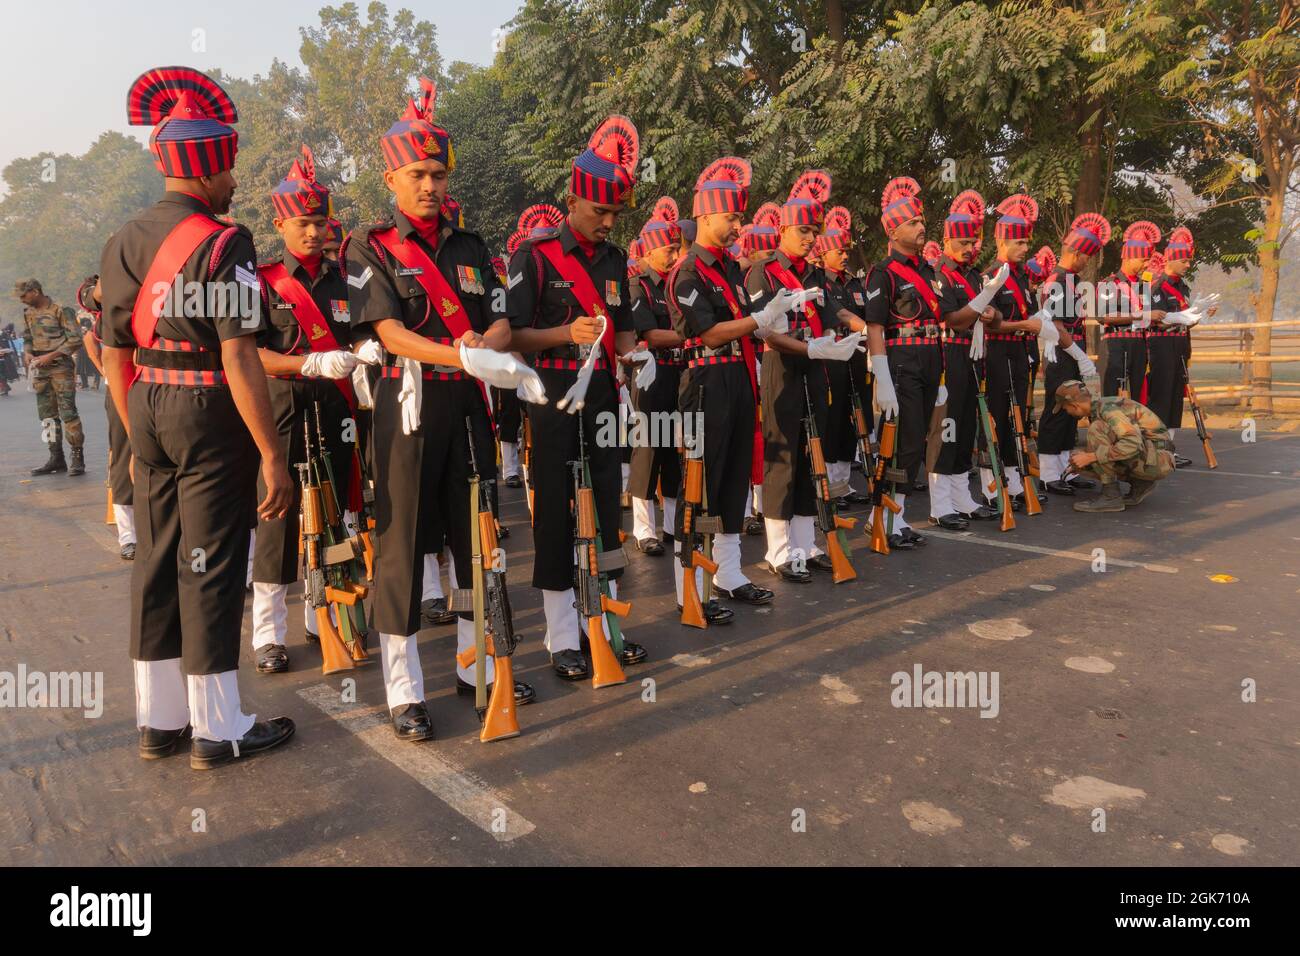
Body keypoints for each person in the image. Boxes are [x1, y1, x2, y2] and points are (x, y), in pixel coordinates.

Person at [98, 66, 296, 769]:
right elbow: (241, 356)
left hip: (146, 406)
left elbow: (114, 349)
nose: (234, 183)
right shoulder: (226, 243)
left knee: (156, 560)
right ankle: (220, 728)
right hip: (207, 406)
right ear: (210, 167)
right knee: (208, 563)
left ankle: (160, 721)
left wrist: (138, 431)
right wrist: (272, 454)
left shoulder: (123, 239)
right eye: (230, 169)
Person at [345, 77, 542, 739]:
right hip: (406, 407)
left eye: (437, 173)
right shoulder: (368, 248)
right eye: (416, 174)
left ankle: (473, 667)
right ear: (390, 178)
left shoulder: (469, 245)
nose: (429, 186)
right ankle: (404, 692)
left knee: (474, 541)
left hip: (465, 409)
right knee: (401, 549)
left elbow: (501, 323)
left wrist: (487, 349)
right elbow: (389, 333)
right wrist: (462, 355)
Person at [507, 115, 650, 678]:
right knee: (558, 509)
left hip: (604, 395)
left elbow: (625, 327)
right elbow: (513, 334)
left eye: (616, 214)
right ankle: (561, 633)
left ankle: (607, 623)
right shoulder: (536, 258)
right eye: (600, 212)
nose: (608, 223)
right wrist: (566, 334)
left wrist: (641, 357)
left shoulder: (616, 261)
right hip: (553, 391)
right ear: (573, 200)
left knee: (606, 499)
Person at [248, 146, 371, 675]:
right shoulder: (264, 280)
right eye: (303, 222)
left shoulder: (348, 280)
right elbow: (251, 355)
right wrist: (307, 363)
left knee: (336, 517)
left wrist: (367, 354)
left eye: (320, 222)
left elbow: (363, 334)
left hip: (338, 411)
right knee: (278, 521)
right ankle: (268, 634)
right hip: (283, 412)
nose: (314, 232)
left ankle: (326, 617)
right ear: (281, 223)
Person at [668, 156, 789, 615]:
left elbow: (740, 326)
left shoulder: (729, 271)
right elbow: (709, 332)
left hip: (738, 377)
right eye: (731, 217)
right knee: (701, 480)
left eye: (740, 216)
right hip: (705, 382)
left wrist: (767, 316)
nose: (739, 225)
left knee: (735, 477)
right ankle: (690, 585)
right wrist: (757, 320)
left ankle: (729, 571)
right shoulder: (688, 272)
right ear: (703, 216)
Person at [745, 171, 865, 581]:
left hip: (815, 369)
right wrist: (812, 346)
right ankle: (779, 550)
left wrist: (844, 335)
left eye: (815, 231)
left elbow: (831, 318)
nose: (811, 238)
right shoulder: (763, 272)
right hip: (782, 368)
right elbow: (766, 332)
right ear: (782, 230)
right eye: (803, 230)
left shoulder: (815, 276)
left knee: (809, 451)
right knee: (783, 455)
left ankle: (805, 543)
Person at [860, 177, 943, 549]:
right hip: (901, 361)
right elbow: (875, 326)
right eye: (912, 222)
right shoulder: (883, 272)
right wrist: (881, 375)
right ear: (893, 231)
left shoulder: (926, 270)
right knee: (901, 442)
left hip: (928, 358)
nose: (921, 226)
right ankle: (883, 517)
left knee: (917, 439)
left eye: (921, 220)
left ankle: (897, 514)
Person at [929, 190, 1000, 528]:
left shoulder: (971, 274)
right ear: (946, 239)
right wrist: (979, 308)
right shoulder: (940, 274)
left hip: (974, 354)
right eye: (963, 240)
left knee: (967, 425)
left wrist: (989, 312)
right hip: (950, 354)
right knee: (948, 427)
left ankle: (961, 497)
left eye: (973, 240)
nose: (970, 247)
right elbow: (952, 319)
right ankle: (940, 504)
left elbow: (986, 312)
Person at [1037, 214, 1111, 494]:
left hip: (1073, 350)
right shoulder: (1057, 279)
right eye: (1086, 257)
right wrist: (1079, 355)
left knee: (1072, 411)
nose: (1087, 262)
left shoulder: (1070, 279)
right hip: (1062, 352)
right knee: (1057, 409)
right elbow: (1057, 325)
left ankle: (1065, 469)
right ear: (1076, 252)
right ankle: (1048, 472)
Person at [627, 197, 685, 556]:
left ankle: (673, 523)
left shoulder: (676, 283)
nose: (674, 254)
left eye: (677, 247)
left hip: (679, 373)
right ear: (649, 252)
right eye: (669, 248)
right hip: (651, 375)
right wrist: (692, 335)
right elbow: (647, 334)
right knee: (647, 450)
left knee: (674, 453)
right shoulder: (639, 286)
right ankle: (643, 528)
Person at [977, 194, 1042, 511]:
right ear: (1003, 242)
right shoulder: (991, 275)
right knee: (997, 417)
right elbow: (988, 323)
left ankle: (1015, 480)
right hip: (997, 351)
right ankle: (991, 484)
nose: (1025, 248)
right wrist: (1023, 325)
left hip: (1019, 350)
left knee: (1018, 416)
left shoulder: (1021, 277)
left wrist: (1029, 327)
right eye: (1020, 242)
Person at [77, 276, 136, 559]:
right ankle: (129, 535)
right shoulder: (108, 292)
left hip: (161, 382)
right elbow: (90, 338)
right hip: (122, 387)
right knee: (124, 455)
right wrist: (104, 371)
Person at [816, 207, 872, 508]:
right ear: (824, 253)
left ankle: (842, 482)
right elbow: (841, 316)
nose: (844, 255)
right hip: (832, 355)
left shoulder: (852, 282)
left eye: (846, 250)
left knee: (854, 415)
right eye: (839, 251)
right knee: (833, 417)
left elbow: (864, 314)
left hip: (855, 355)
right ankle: (827, 482)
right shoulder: (821, 281)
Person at [1147, 226, 1215, 466]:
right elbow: (1157, 321)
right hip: (1161, 348)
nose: (1188, 265)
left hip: (1180, 347)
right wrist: (1185, 317)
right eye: (1185, 261)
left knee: (1176, 398)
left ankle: (1170, 449)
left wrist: (1199, 316)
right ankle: (1157, 450)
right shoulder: (1157, 285)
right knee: (1161, 398)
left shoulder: (1181, 286)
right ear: (1172, 259)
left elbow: (1184, 322)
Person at [1053, 380, 1175, 512]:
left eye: (1066, 408)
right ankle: (1140, 484)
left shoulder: (1107, 410)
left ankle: (1111, 497)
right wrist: (1085, 457)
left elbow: (1132, 443)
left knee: (1096, 431)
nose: (1067, 412)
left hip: (1159, 460)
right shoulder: (1099, 407)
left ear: (1074, 405)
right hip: (1153, 456)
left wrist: (1092, 457)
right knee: (1081, 458)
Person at [16, 278, 86, 476]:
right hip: (40, 371)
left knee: (68, 414)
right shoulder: (28, 313)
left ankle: (77, 459)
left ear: (35, 291)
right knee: (47, 416)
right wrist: (28, 352)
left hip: (60, 368)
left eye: (24, 295)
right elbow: (28, 337)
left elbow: (75, 340)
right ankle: (56, 458)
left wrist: (51, 355)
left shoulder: (61, 310)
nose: (22, 300)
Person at [1099, 222, 1164, 400]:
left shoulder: (1144, 286)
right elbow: (1105, 316)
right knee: (1112, 396)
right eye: (1143, 260)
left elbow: (1151, 315)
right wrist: (1143, 315)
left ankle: (1138, 427)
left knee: (1139, 396)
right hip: (1116, 343)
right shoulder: (1110, 283)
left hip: (1140, 344)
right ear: (1128, 258)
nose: (1146, 265)